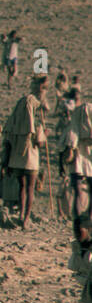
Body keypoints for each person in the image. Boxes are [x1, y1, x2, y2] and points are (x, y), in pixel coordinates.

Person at [0, 75, 48, 229]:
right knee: (30, 188)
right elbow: (40, 143)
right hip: (31, 160)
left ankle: (21, 214)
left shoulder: (15, 124)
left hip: (16, 159)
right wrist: (45, 134)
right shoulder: (35, 125)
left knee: (22, 187)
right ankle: (26, 217)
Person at [60, 87, 92, 220]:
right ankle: (87, 217)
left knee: (79, 192)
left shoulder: (73, 126)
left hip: (77, 163)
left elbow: (67, 144)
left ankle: (79, 218)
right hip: (88, 162)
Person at [70, 216, 92, 303]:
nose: (77, 234)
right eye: (75, 231)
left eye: (80, 231)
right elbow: (74, 267)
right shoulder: (79, 247)